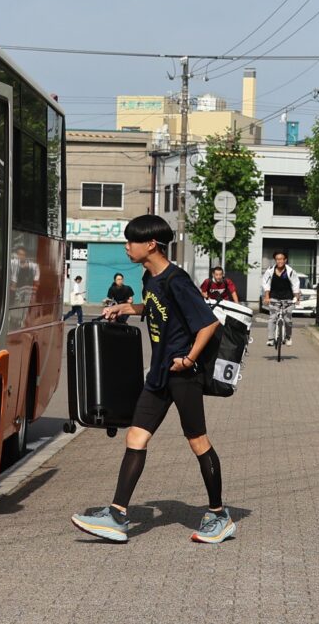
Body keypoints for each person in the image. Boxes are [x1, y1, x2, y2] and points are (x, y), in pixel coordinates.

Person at [70, 215, 232, 544]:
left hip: (184, 375)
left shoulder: (177, 280)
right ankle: (117, 515)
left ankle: (219, 516)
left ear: (151, 245)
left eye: (131, 241)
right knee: (136, 438)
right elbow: (158, 309)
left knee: (197, 442)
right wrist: (129, 309)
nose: (126, 247)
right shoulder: (150, 278)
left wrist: (188, 359)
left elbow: (208, 323)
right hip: (158, 373)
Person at [261, 251, 301, 346]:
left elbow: (296, 284)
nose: (279, 261)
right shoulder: (270, 271)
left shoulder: (290, 271)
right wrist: (267, 297)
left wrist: (297, 298)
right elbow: (266, 284)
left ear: (285, 260)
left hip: (288, 298)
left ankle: (288, 337)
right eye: (277, 259)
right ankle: (271, 338)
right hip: (274, 298)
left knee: (287, 319)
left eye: (281, 259)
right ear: (275, 260)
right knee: (272, 318)